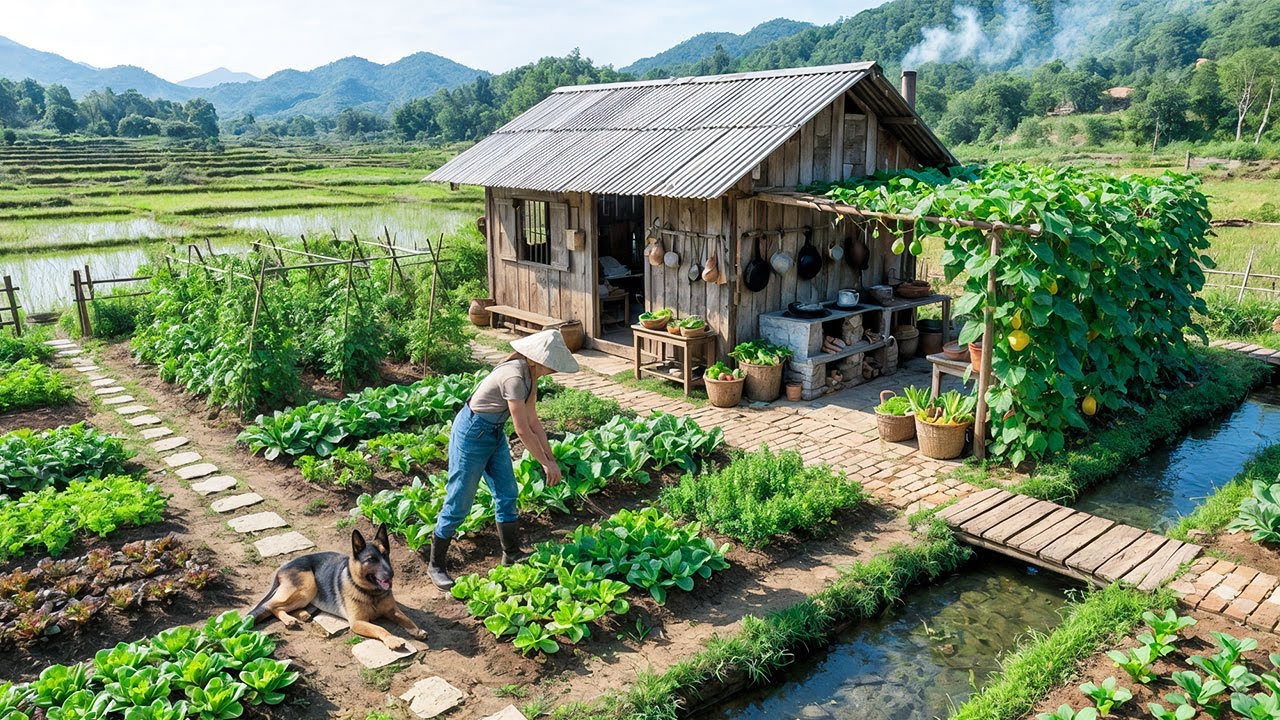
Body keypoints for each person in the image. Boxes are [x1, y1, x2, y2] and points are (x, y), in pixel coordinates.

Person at [427, 329, 579, 590]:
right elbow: (521, 430)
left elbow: (534, 422)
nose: (554, 369)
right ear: (537, 359)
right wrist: (544, 463)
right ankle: (436, 565)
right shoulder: (514, 376)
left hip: (494, 433)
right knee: (460, 500)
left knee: (507, 492)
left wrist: (551, 459)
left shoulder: (531, 376)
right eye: (552, 363)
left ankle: (511, 554)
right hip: (472, 434)